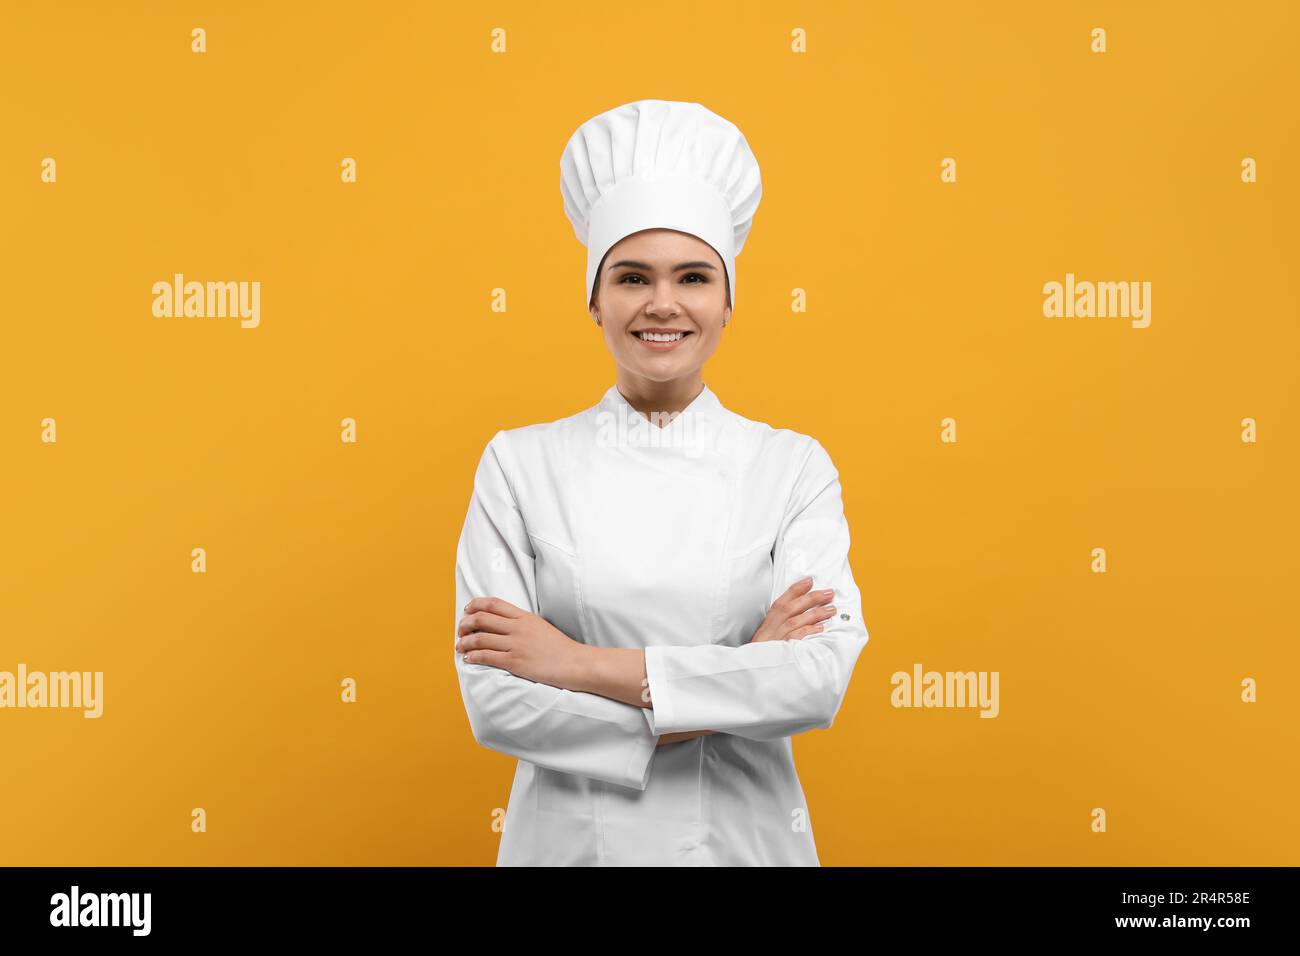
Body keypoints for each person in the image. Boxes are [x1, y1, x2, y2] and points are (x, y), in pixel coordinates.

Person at [453, 99, 870, 865]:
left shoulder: (791, 466)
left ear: (728, 301)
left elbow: (815, 678)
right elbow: (497, 701)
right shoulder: (518, 464)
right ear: (595, 299)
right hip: (571, 845)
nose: (663, 304)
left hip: (740, 843)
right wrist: (740, 678)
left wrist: (576, 664)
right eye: (633, 276)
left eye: (694, 277)